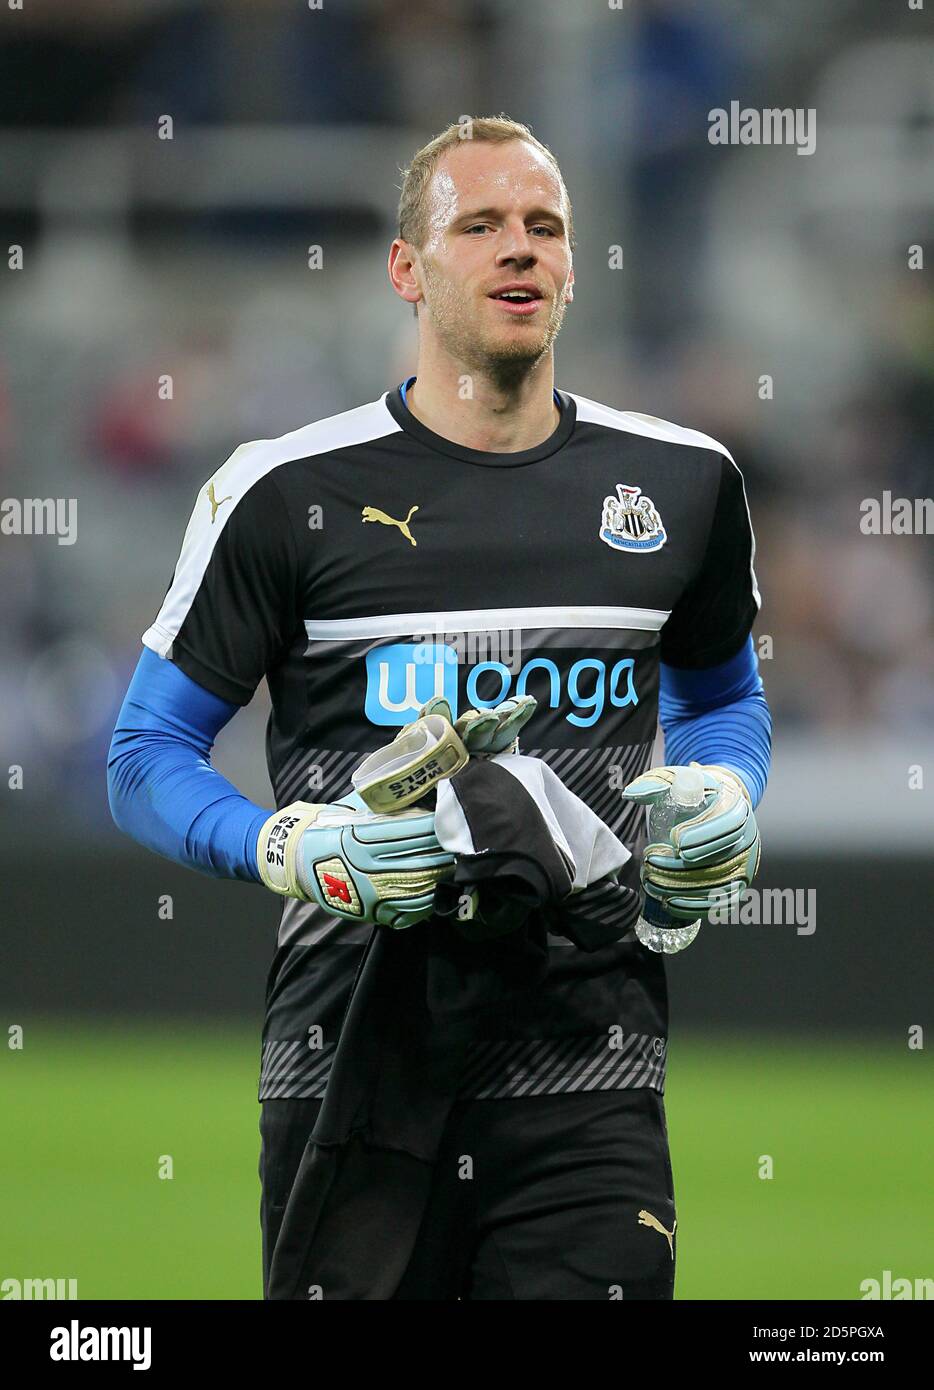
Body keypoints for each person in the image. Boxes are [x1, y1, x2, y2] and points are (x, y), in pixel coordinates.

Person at [107, 115, 771, 1300]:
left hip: (590, 1064)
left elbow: (723, 697)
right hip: (350, 1064)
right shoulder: (284, 492)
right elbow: (144, 754)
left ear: (571, 265)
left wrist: (726, 790)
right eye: (480, 225)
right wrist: (288, 843)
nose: (519, 248)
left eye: (543, 226)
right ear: (408, 268)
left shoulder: (684, 483)